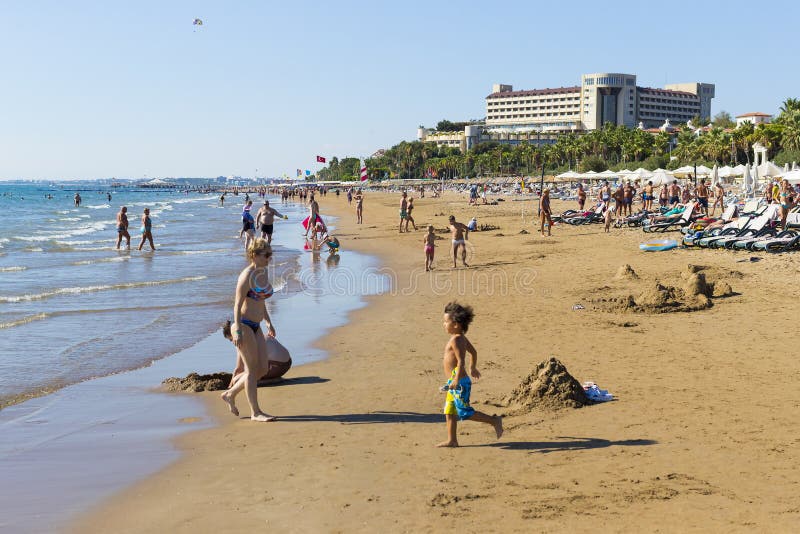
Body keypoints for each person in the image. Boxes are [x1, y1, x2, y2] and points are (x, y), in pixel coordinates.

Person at [221, 239, 279, 422]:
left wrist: (268, 322)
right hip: (244, 325)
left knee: (262, 368)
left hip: (256, 325)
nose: (270, 258)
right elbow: (237, 304)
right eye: (266, 255)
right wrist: (237, 329)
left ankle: (230, 394)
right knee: (251, 370)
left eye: (270, 254)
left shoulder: (263, 272)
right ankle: (255, 412)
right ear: (254, 255)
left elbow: (261, 301)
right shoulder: (246, 275)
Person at [436, 302, 503, 448]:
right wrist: (473, 367)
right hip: (453, 381)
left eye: (446, 322)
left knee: (465, 412)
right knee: (449, 411)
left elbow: (461, 362)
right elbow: (474, 352)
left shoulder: (457, 340)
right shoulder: (460, 338)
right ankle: (452, 440)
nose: (444, 324)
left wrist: (456, 379)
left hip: (459, 383)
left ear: (456, 324)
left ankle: (494, 421)